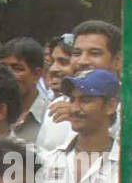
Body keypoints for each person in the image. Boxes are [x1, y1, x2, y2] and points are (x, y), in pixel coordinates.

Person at [37, 21, 121, 153]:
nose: (82, 61)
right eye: (77, 53)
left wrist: (89, 118)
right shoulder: (57, 106)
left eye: (94, 53)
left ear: (117, 60)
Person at [0, 37, 48, 143]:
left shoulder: (50, 116)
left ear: (37, 74)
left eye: (17, 69)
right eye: (3, 67)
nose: (7, 75)